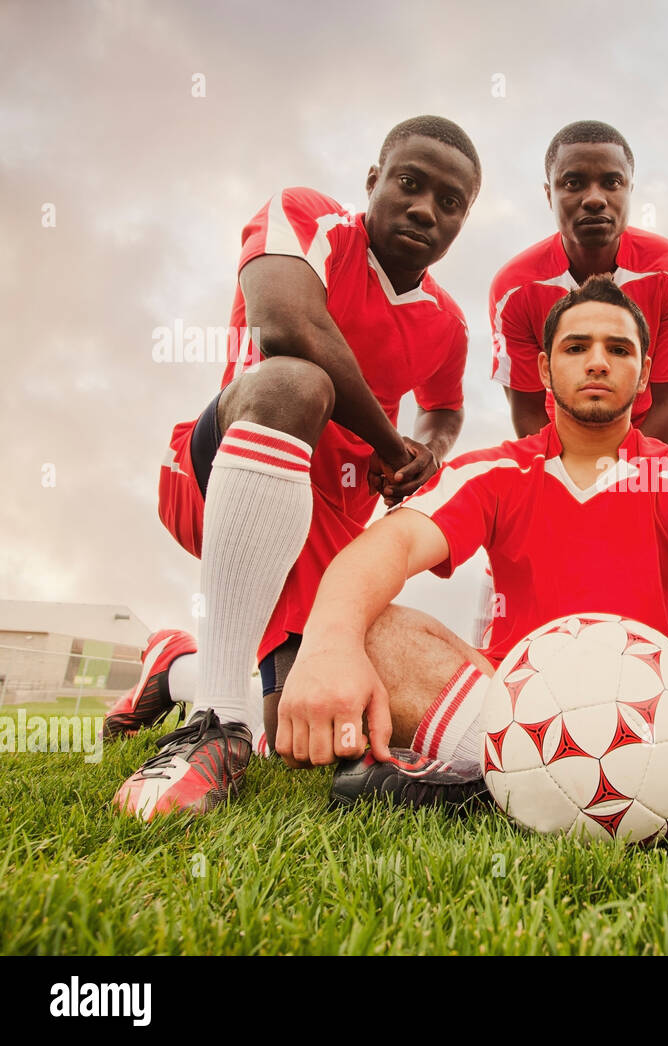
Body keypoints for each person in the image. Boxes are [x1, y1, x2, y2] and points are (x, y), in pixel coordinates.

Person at [275, 276, 668, 804]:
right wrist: (327, 648)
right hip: (507, 708)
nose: (597, 361)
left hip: (652, 708)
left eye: (618, 349)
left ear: (644, 371)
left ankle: (479, 792)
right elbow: (387, 549)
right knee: (374, 624)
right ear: (546, 367)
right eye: (576, 347)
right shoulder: (493, 471)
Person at [112, 116, 482, 820]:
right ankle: (213, 726)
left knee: (302, 729)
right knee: (295, 383)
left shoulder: (448, 323)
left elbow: (445, 408)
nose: (426, 208)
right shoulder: (308, 216)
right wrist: (388, 443)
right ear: (373, 181)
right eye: (410, 184)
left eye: (450, 202)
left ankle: (176, 666)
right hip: (224, 467)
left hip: (331, 528)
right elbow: (290, 326)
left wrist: (428, 449)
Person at [481, 120, 668, 643]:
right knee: (518, 621)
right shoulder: (514, 286)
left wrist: (620, 484)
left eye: (611, 182)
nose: (593, 198)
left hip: (654, 443)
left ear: (630, 189)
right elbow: (525, 413)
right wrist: (571, 487)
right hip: (550, 452)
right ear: (549, 193)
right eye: (573, 183)